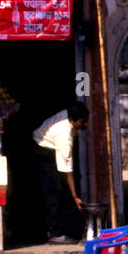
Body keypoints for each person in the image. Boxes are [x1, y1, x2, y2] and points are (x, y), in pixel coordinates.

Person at [33, 101, 89, 244]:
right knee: (54, 191)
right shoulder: (64, 137)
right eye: (82, 122)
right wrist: (75, 196)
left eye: (87, 121)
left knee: (54, 189)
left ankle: (54, 228)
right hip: (43, 151)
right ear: (72, 120)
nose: (86, 125)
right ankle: (55, 234)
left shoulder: (69, 113)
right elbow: (68, 171)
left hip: (46, 143)